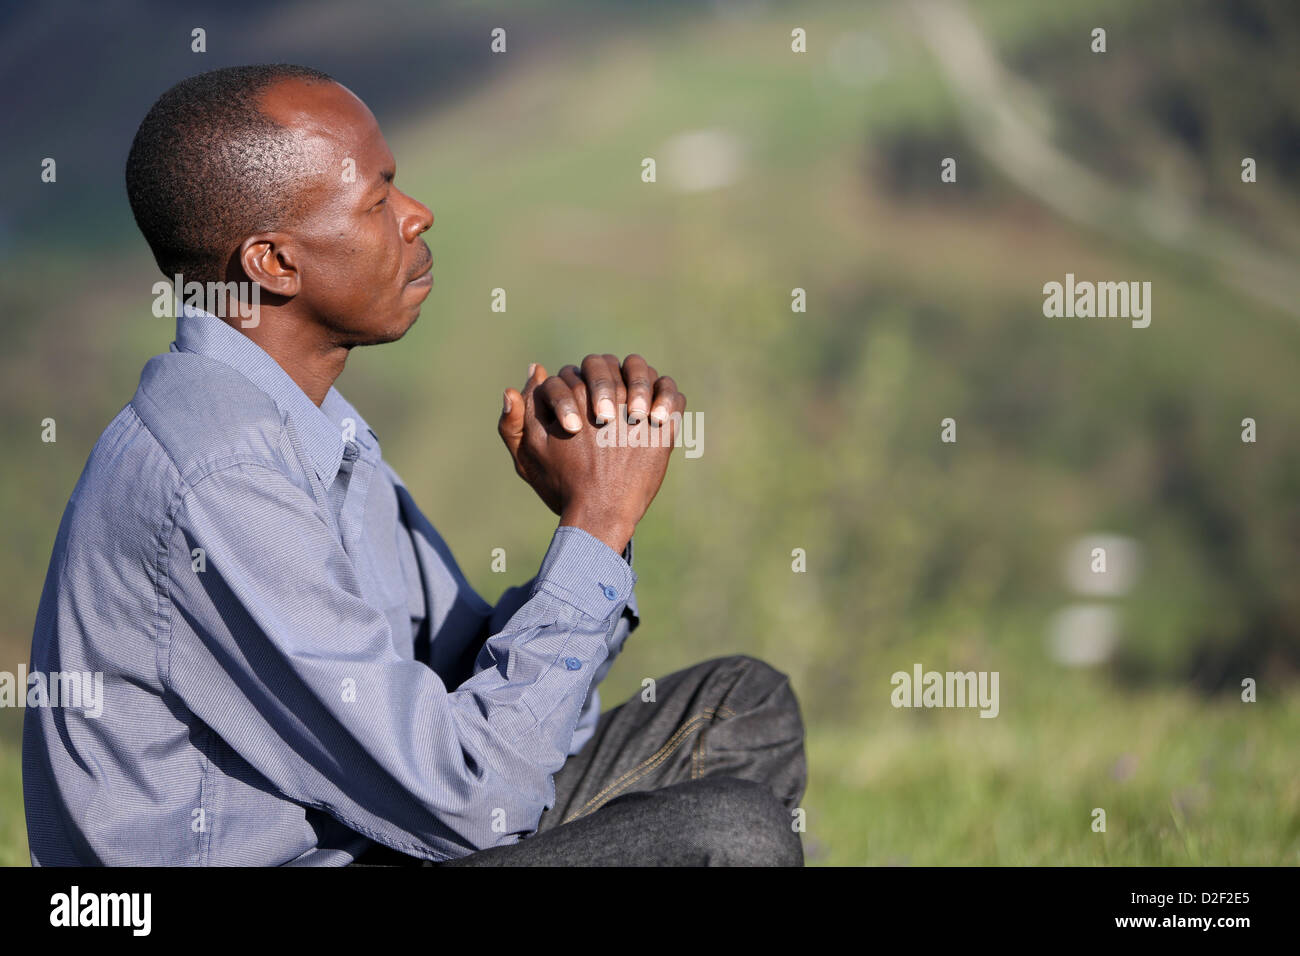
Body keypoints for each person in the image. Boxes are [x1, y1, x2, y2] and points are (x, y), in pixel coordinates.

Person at [23, 64, 806, 866]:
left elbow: (479, 701)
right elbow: (472, 797)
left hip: (385, 834)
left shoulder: (313, 429)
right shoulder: (222, 477)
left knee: (740, 709)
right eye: (378, 200)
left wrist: (586, 522)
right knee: (730, 836)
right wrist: (598, 527)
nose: (417, 215)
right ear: (273, 264)